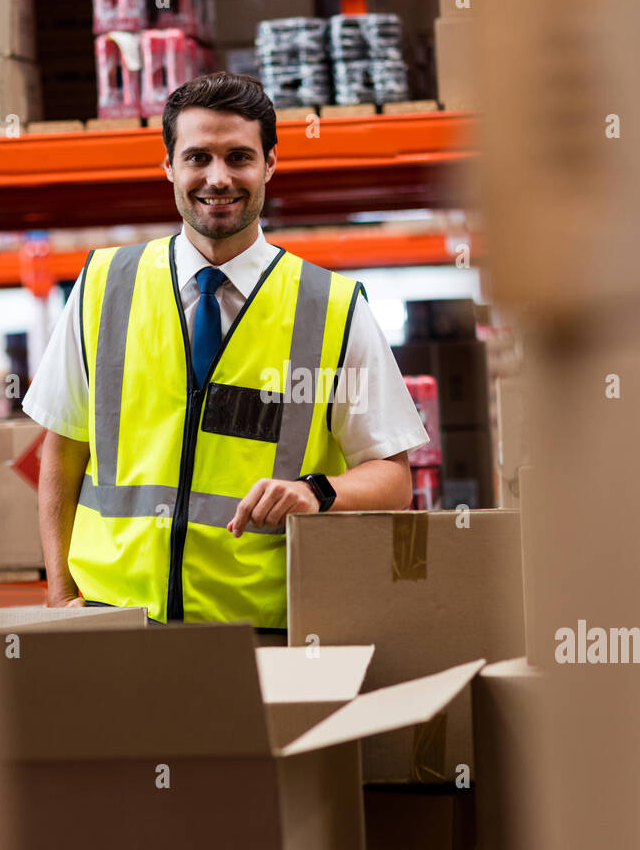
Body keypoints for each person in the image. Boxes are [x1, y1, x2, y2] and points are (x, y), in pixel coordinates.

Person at [23, 72, 428, 630]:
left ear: (269, 165)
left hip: (259, 632)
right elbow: (63, 449)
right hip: (111, 624)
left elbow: (393, 477)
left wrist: (317, 492)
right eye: (197, 158)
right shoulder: (103, 285)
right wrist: (60, 598)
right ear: (168, 166)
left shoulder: (333, 306)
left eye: (239, 157)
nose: (218, 178)